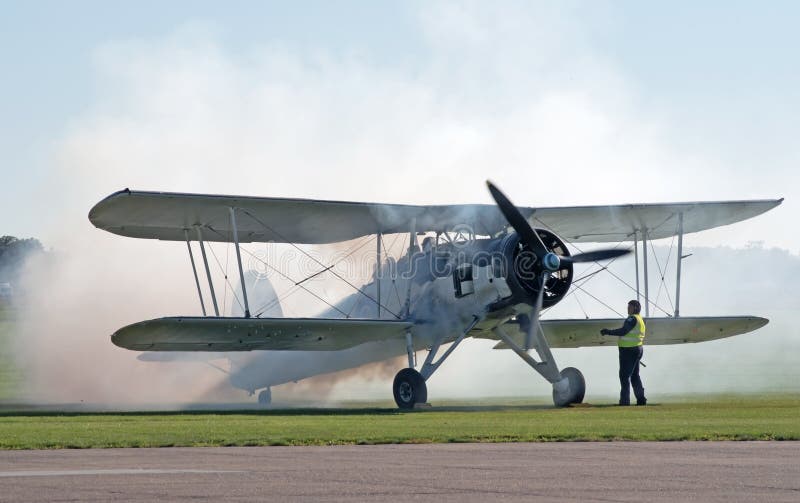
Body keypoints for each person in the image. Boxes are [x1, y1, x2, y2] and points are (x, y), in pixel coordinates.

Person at [600, 300, 647, 406]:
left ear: (635, 308)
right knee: (635, 376)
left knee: (624, 376)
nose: (627, 308)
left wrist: (608, 332)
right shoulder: (640, 319)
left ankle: (625, 401)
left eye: (629, 306)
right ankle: (641, 400)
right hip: (637, 349)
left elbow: (624, 331)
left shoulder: (632, 318)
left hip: (628, 350)